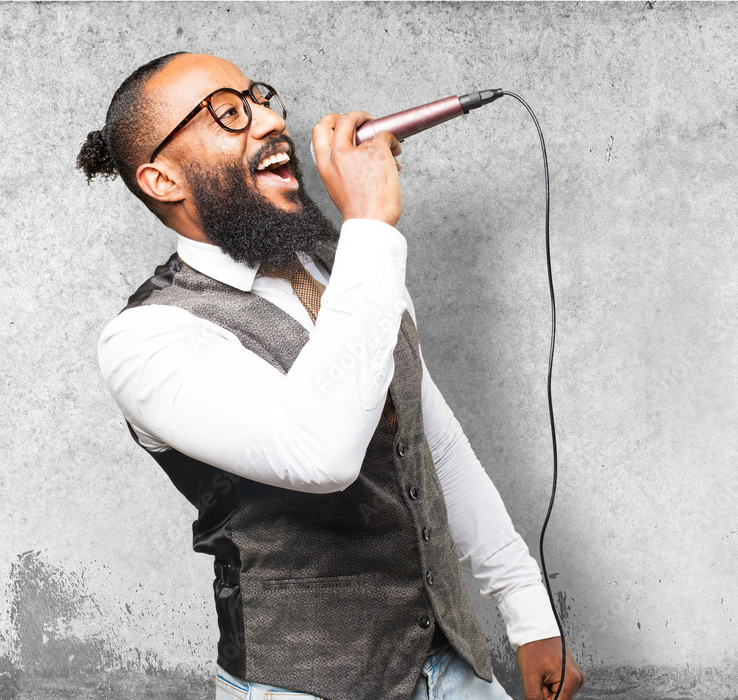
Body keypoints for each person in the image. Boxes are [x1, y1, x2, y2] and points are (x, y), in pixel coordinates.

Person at [78, 52, 584, 700]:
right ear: (162, 178)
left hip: (455, 666)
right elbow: (319, 454)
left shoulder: (346, 271)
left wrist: (528, 613)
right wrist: (370, 224)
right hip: (303, 686)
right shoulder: (146, 338)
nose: (269, 119)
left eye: (260, 98)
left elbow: (433, 445)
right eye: (229, 113)